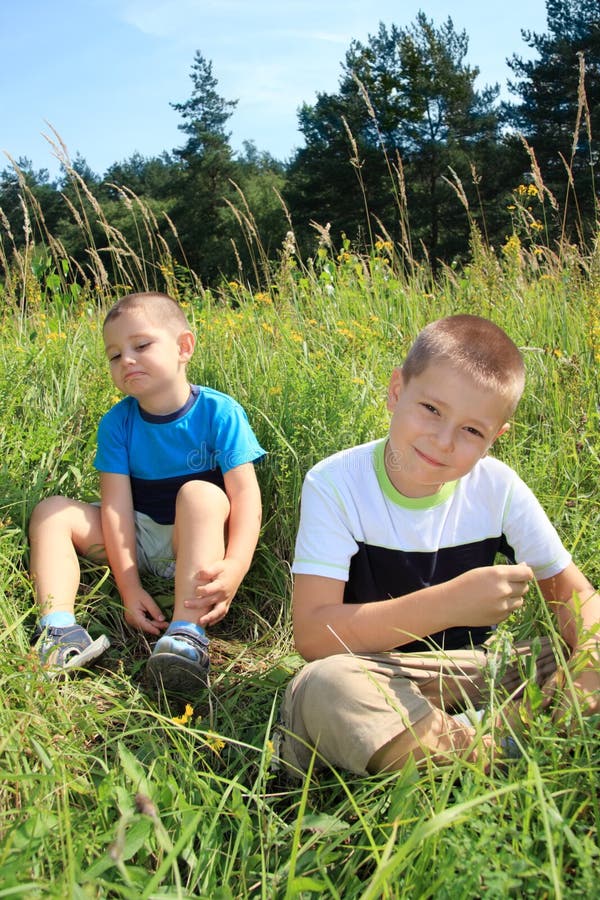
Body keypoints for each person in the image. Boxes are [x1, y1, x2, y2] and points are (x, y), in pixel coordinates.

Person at [279, 314, 599, 776]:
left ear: (494, 439)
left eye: (472, 431)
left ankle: (460, 744)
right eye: (431, 409)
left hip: (476, 672)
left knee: (586, 647)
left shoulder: (497, 487)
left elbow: (575, 594)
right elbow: (312, 636)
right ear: (396, 391)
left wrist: (590, 662)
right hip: (372, 672)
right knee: (326, 686)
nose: (444, 441)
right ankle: (495, 751)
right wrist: (449, 605)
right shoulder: (335, 484)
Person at [29, 291, 265, 694]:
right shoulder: (117, 423)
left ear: (183, 347)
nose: (126, 360)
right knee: (51, 512)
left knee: (201, 494)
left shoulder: (219, 413)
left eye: (141, 345)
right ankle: (58, 631)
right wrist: (130, 587)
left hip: (196, 543)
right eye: (114, 355)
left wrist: (236, 565)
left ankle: (185, 634)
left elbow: (245, 499)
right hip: (137, 535)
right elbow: (116, 510)